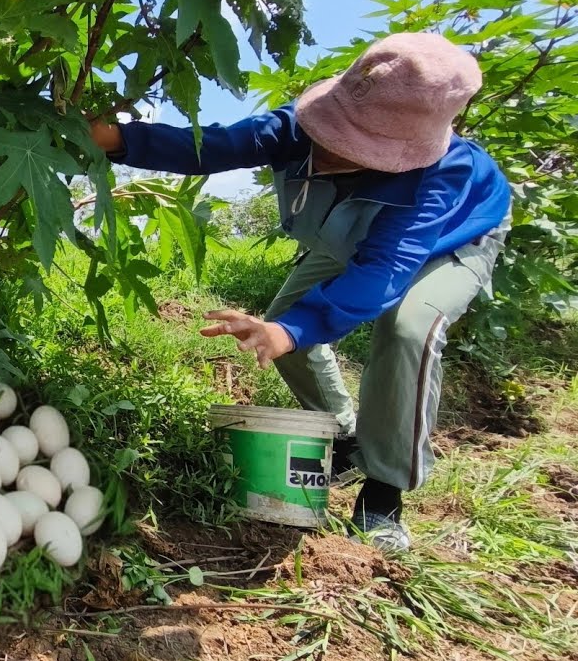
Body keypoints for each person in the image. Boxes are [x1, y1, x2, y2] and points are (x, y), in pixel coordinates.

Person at [90, 32, 512, 551]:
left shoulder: (438, 178)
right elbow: (214, 146)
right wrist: (116, 140)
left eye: (356, 145)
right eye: (337, 132)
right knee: (287, 327)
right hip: (350, 233)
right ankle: (346, 437)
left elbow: (383, 270)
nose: (331, 148)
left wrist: (290, 331)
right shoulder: (299, 126)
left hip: (451, 239)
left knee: (407, 328)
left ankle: (384, 491)